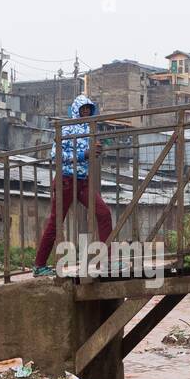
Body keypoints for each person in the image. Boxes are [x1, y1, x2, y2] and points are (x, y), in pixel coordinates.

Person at [32, 94, 114, 277]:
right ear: (76, 110)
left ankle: (107, 261)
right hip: (66, 180)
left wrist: (96, 151)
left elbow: (88, 153)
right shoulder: (66, 128)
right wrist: (84, 155)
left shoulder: (90, 128)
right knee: (55, 223)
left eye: (89, 109)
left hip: (83, 181)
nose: (86, 112)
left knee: (104, 212)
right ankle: (39, 265)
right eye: (83, 109)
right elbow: (56, 157)